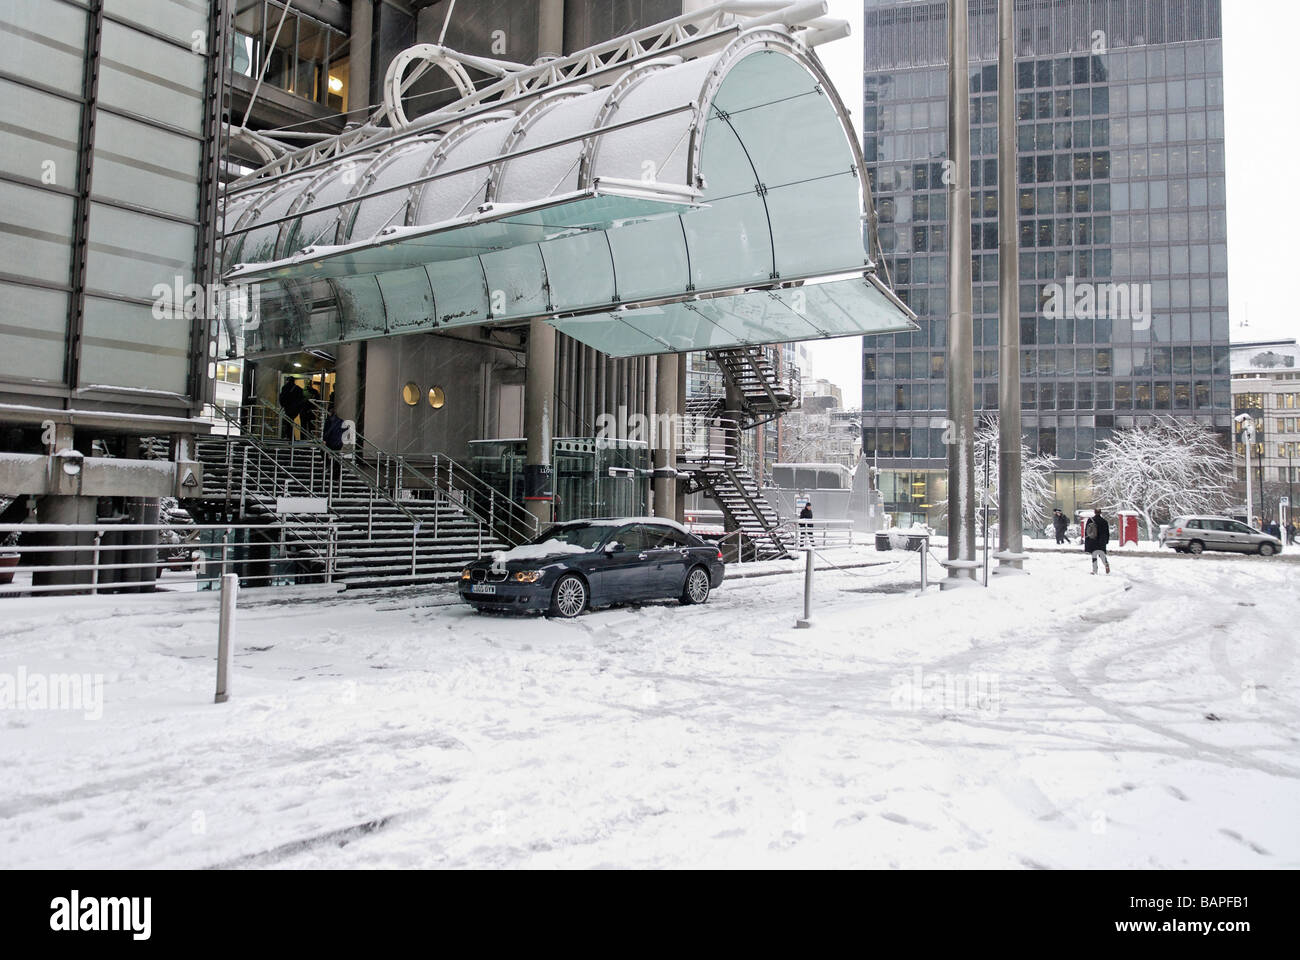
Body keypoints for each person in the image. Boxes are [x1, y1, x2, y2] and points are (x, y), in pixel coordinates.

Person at [1083, 507, 1110, 575]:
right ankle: (1106, 563)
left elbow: (1087, 531)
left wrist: (1087, 541)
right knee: (1101, 553)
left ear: (1094, 512)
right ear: (1100, 513)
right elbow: (1107, 532)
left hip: (1093, 540)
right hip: (1102, 541)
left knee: (1094, 555)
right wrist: (1106, 541)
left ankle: (1095, 570)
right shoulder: (1104, 521)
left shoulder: (1090, 520)